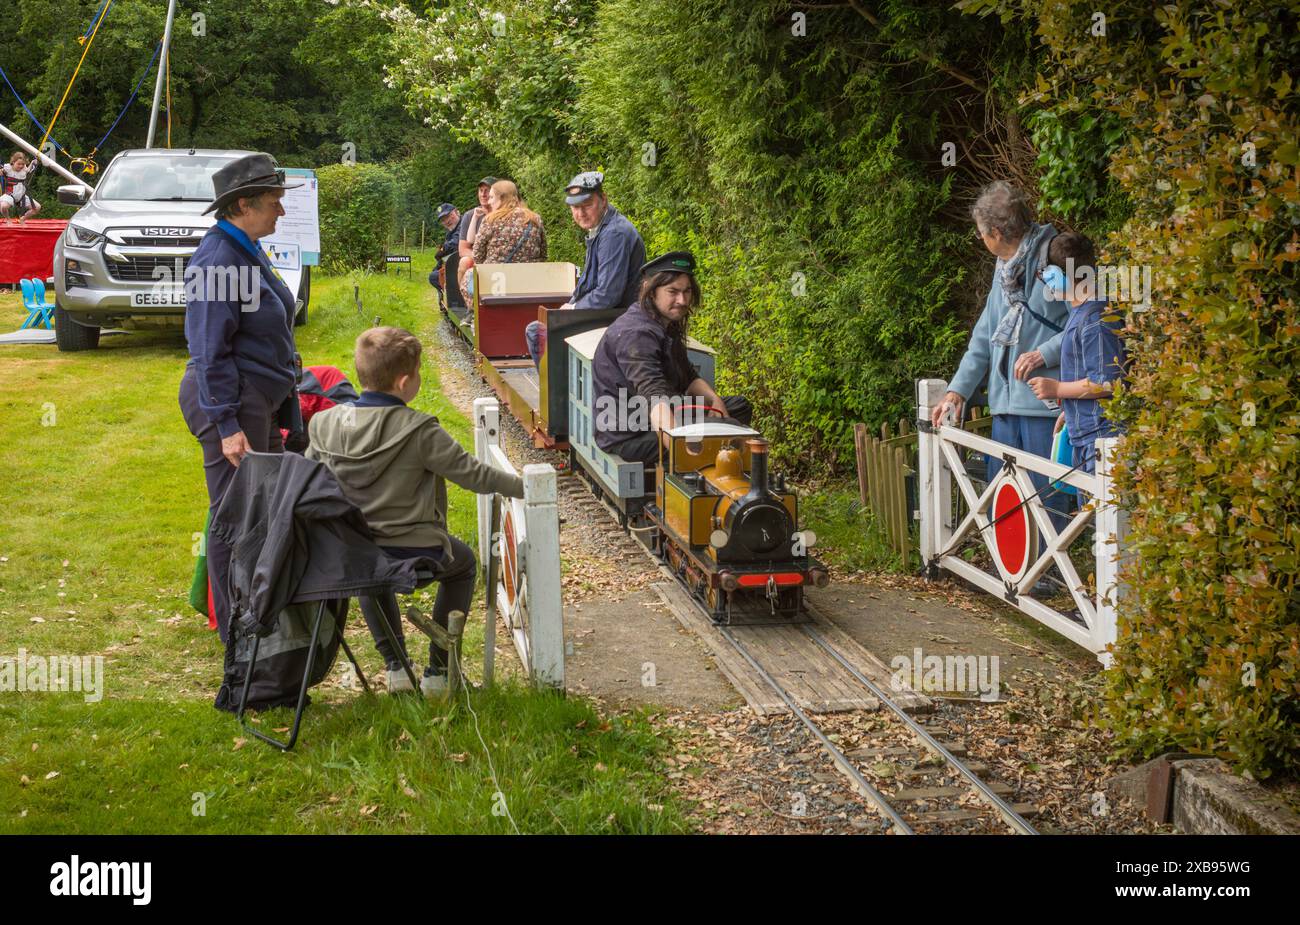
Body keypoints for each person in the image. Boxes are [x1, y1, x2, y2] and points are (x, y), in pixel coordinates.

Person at [307, 327, 525, 697]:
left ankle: (396, 669)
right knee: (464, 563)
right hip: (414, 551)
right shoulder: (420, 430)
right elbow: (473, 476)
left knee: (369, 571)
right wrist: (528, 487)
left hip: (351, 552)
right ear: (405, 382)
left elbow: (308, 480)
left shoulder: (324, 424)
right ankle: (438, 672)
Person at [178, 153, 304, 643]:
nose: (282, 211)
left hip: (255, 399)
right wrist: (227, 424)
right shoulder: (218, 260)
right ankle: (236, 632)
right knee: (235, 517)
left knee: (259, 511)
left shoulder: (244, 247)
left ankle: (256, 616)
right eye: (274, 202)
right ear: (243, 205)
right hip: (232, 401)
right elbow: (208, 350)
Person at [931, 180, 1071, 521]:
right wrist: (957, 391)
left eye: (981, 232)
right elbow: (985, 336)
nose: (980, 239)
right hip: (1006, 409)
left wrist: (1045, 354)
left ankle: (1048, 577)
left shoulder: (1057, 257)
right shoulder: (1004, 269)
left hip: (1045, 411)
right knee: (1006, 510)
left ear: (996, 231)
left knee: (1047, 511)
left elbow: (1091, 319)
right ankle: (1013, 578)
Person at [591, 251, 751, 467]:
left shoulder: (664, 321)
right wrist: (685, 449)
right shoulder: (636, 334)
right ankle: (701, 481)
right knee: (727, 429)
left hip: (659, 410)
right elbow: (654, 396)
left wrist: (714, 400)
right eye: (673, 292)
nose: (682, 300)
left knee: (738, 407)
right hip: (630, 432)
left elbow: (688, 377)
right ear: (650, 290)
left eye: (687, 292)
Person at [1027, 232, 1127, 474]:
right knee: (1088, 511)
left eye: (1046, 274)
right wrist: (1068, 410)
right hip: (1085, 434)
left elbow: (1107, 383)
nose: (1044, 282)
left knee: (1099, 513)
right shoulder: (1081, 313)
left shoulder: (1096, 320)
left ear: (1062, 275)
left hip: (1103, 439)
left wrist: (1057, 389)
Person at [524, 170, 646, 366]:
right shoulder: (602, 228)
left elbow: (607, 295)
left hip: (616, 318)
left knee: (536, 332)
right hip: (607, 314)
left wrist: (574, 308)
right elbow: (590, 283)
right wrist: (571, 304)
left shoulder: (614, 234)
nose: (581, 213)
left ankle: (557, 395)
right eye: (575, 207)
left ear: (603, 200)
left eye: (587, 205)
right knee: (542, 325)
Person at [472, 179, 547, 266]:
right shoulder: (535, 218)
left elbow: (477, 256)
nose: (489, 201)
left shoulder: (490, 220)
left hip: (497, 276)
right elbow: (543, 253)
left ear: (502, 198)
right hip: (529, 274)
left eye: (492, 197)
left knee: (468, 275)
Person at [456, 176, 496, 303]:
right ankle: (468, 304)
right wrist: (480, 258)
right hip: (478, 258)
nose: (483, 194)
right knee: (464, 262)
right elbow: (463, 249)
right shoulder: (470, 216)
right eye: (481, 190)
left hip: (500, 258)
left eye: (487, 190)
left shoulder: (503, 215)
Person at [0, 151, 42, 220]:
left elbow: (28, 170)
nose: (21, 166)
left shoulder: (24, 169)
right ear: (13, 162)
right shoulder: (8, 168)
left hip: (21, 197)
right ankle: (8, 219)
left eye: (22, 164)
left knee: (37, 207)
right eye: (18, 164)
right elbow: (1, 172)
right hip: (10, 195)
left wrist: (33, 163)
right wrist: (1, 171)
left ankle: (22, 219)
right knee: (3, 207)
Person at [430, 202, 461, 291]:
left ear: (457, 212)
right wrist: (438, 266)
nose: (446, 221)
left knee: (434, 277)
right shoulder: (450, 232)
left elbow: (455, 243)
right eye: (443, 220)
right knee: (435, 274)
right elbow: (446, 255)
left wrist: (442, 250)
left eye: (448, 216)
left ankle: (455, 298)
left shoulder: (464, 224)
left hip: (465, 266)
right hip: (454, 264)